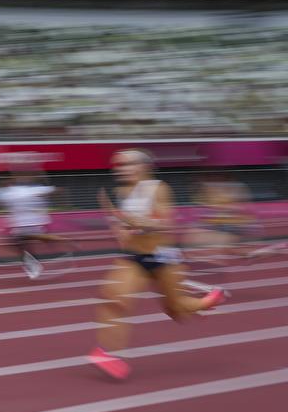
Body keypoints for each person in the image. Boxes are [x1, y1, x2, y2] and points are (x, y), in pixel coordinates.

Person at [90, 150, 227, 380]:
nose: (120, 169)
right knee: (113, 298)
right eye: (118, 165)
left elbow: (165, 225)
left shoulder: (158, 188)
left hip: (163, 257)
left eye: (127, 164)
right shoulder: (121, 192)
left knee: (176, 310)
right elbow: (124, 232)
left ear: (143, 166)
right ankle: (107, 354)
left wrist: (135, 221)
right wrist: (121, 229)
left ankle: (205, 302)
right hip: (134, 257)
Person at [0, 170, 67, 279]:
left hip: (31, 224)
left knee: (18, 242)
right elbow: (57, 190)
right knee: (19, 243)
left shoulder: (26, 190)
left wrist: (53, 196)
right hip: (27, 224)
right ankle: (39, 254)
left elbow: (56, 190)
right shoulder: (17, 191)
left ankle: (36, 258)